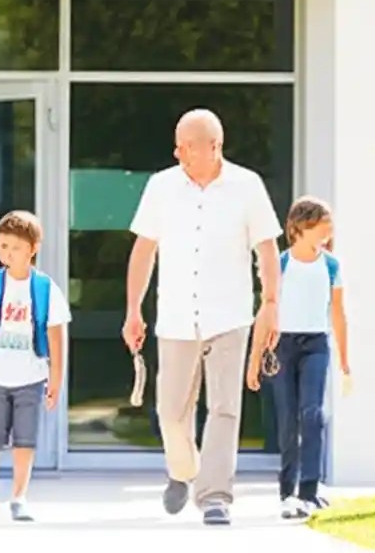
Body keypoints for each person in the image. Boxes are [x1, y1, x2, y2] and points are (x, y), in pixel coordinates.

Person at [123, 108, 282, 527]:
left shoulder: (247, 186)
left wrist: (271, 304)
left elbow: (266, 250)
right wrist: (133, 309)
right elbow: (144, 250)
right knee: (171, 411)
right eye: (177, 146)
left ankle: (215, 496)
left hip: (229, 314)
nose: (178, 153)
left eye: (186, 148)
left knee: (225, 408)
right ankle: (183, 470)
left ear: (214, 147)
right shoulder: (162, 186)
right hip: (176, 315)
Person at [247, 196, 349, 519]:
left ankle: (310, 490)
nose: (328, 231)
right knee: (288, 418)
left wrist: (345, 360)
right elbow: (265, 313)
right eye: (323, 225)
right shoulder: (281, 264)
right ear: (300, 228)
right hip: (282, 345)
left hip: (316, 344)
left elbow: (338, 314)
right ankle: (287, 492)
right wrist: (254, 362)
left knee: (313, 414)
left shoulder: (331, 265)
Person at [0, 210, 70, 522]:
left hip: (31, 376)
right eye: (2, 246)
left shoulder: (45, 289)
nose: (6, 253)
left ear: (32, 248)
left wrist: (55, 380)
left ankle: (19, 496)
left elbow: (56, 338)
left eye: (14, 246)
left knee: (26, 439)